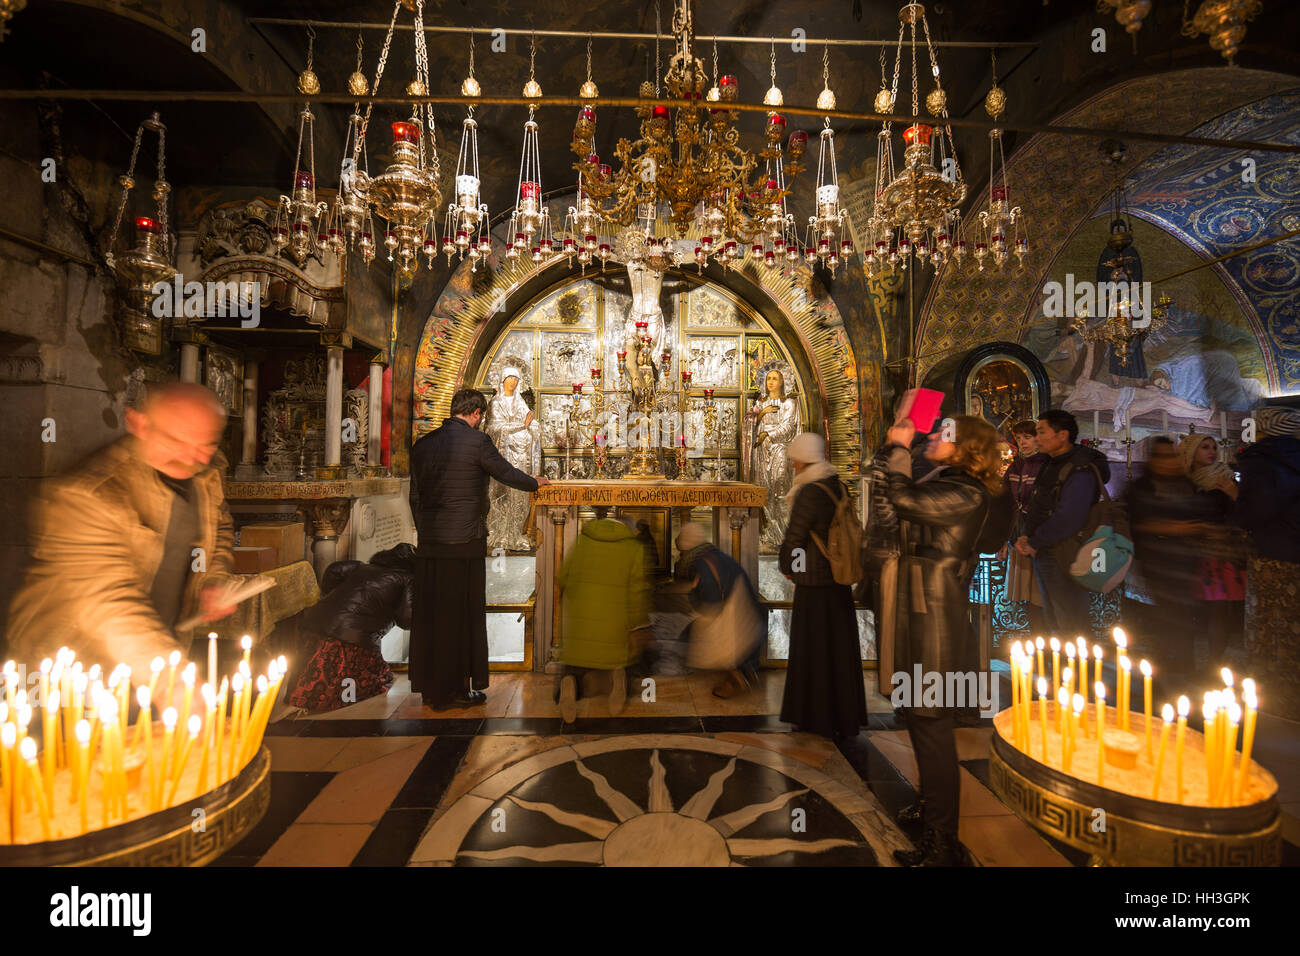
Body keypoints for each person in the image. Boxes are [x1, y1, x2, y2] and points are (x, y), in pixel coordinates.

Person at [5, 382, 237, 684]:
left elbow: (219, 528)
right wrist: (173, 684)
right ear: (138, 423)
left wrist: (213, 579)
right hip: (73, 670)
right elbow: (107, 600)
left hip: (157, 657)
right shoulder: (91, 492)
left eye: (206, 444)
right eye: (176, 441)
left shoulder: (208, 473)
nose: (192, 457)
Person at [875, 415, 999, 867]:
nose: (932, 436)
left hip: (937, 626)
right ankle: (932, 808)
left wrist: (902, 450)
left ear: (966, 447)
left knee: (933, 733)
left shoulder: (967, 492)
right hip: (918, 615)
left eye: (943, 434)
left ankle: (944, 844)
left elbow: (904, 500)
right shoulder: (943, 481)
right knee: (916, 719)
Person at [408, 387, 550, 709]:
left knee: (432, 617)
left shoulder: (423, 445)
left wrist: (427, 530)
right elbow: (505, 472)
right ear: (477, 414)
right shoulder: (477, 441)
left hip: (430, 546)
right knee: (461, 617)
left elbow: (414, 496)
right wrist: (533, 482)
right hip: (464, 545)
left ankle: (432, 691)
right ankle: (457, 690)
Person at [777, 432, 866, 739]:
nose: (792, 464)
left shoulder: (809, 491)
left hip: (813, 582)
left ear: (803, 457)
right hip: (838, 579)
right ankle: (843, 714)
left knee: (813, 649)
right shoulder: (836, 484)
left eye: (794, 458)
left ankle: (813, 715)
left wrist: (788, 566)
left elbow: (796, 537)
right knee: (838, 650)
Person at [1126, 437, 1216, 681]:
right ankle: (1166, 672)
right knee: (1168, 618)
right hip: (1159, 565)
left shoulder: (1185, 484)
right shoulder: (1142, 488)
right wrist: (1181, 528)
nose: (1168, 462)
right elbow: (1142, 523)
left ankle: (1185, 668)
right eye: (1162, 457)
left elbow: (1202, 512)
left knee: (1186, 618)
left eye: (1172, 456)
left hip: (1187, 563)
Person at [1015, 409, 1111, 639]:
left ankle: (1080, 671)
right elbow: (1041, 504)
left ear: (1062, 435)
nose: (1037, 438)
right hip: (1047, 550)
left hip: (1065, 552)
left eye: (1041, 432)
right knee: (1056, 616)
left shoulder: (1079, 468)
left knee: (1070, 619)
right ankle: (1064, 669)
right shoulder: (1053, 462)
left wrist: (1036, 540)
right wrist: (1027, 535)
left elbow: (1069, 516)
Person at [286, 544, 414, 712]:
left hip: (314, 623)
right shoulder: (407, 579)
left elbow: (334, 569)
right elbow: (407, 619)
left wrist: (332, 597)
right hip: (350, 639)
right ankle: (316, 699)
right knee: (379, 680)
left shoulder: (361, 567)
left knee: (308, 669)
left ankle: (299, 694)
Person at [1234, 406, 1300, 719]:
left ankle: (1272, 703)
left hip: (1273, 555)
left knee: (1268, 626)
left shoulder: (1263, 461)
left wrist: (1234, 500)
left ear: (1264, 430)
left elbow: (1256, 510)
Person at [555, 507, 649, 722]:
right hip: (614, 623)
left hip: (581, 622)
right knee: (618, 657)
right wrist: (638, 624)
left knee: (575, 661)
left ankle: (569, 682)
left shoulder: (583, 541)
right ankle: (618, 683)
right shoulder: (634, 548)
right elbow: (637, 592)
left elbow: (563, 576)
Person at [675, 522, 767, 699]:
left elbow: (710, 593)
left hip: (729, 609)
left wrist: (696, 600)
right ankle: (747, 673)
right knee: (732, 646)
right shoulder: (714, 554)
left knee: (720, 648)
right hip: (741, 603)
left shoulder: (702, 561)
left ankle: (736, 680)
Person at [1178, 433, 1245, 673]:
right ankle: (1188, 662)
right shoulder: (1183, 482)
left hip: (1219, 551)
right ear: (1190, 451)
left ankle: (1215, 662)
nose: (1212, 452)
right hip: (1190, 551)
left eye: (1214, 447)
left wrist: (1234, 495)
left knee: (1219, 608)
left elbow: (1244, 513)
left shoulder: (1224, 479)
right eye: (1204, 447)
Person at [484, 367, 541, 552]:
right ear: (502, 380)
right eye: (510, 378)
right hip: (501, 458)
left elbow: (531, 423)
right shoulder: (495, 403)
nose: (513, 382)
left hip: (519, 458)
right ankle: (498, 533)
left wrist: (531, 427)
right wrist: (520, 427)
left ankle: (516, 533)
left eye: (516, 379)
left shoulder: (520, 402)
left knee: (519, 497)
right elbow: (493, 428)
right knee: (501, 496)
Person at [1000, 420, 1048, 632]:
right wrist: (1003, 538)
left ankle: (1050, 649)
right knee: (1028, 596)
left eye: (1027, 437)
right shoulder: (1016, 466)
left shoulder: (1047, 464)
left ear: (1038, 439)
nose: (1022, 443)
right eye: (1019, 439)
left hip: (1040, 536)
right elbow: (1005, 502)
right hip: (1018, 536)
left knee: (1041, 595)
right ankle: (1037, 643)